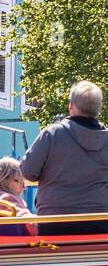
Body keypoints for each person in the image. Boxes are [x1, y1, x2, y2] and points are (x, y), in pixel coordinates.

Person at [20, 80, 108, 235]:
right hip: (100, 220)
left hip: (55, 220)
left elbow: (27, 172)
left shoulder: (52, 134)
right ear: (98, 108)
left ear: (71, 105)